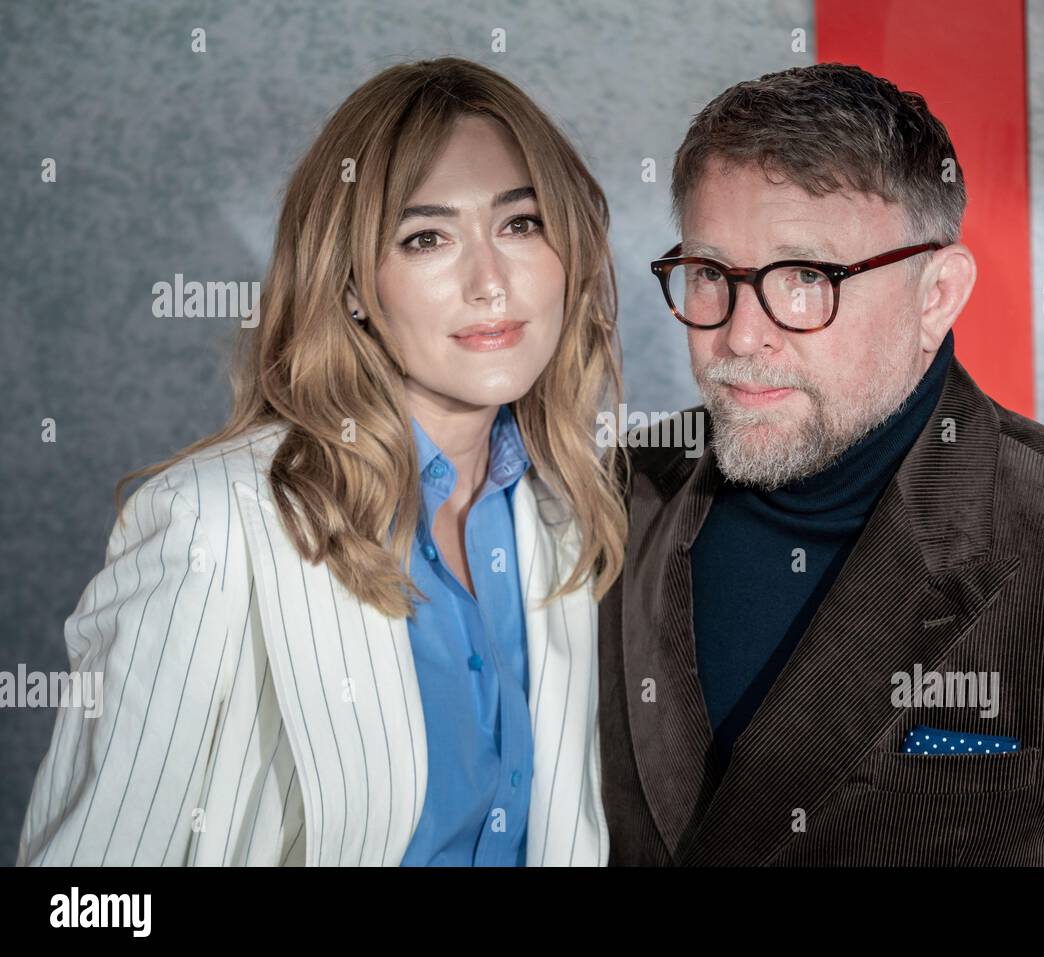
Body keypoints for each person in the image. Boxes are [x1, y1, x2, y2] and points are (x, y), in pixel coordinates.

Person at [597, 62, 1044, 865]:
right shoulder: (610, 495)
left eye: (804, 279)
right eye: (714, 275)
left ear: (937, 295)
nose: (742, 335)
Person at [18, 57, 624, 867]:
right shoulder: (218, 524)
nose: (490, 282)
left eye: (520, 224)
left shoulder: (567, 513)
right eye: (426, 237)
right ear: (350, 285)